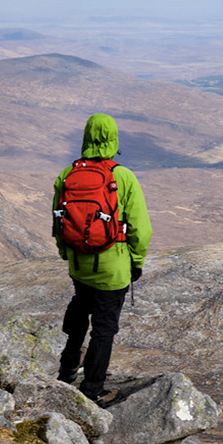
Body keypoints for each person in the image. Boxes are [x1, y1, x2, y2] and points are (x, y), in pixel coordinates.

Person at [52, 112, 151, 403]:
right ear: (114, 139)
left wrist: (67, 254)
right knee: (104, 330)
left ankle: (68, 369)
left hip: (79, 265)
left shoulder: (67, 175)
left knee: (80, 312)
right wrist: (136, 262)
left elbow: (58, 222)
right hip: (113, 268)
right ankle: (92, 391)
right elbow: (141, 229)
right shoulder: (122, 176)